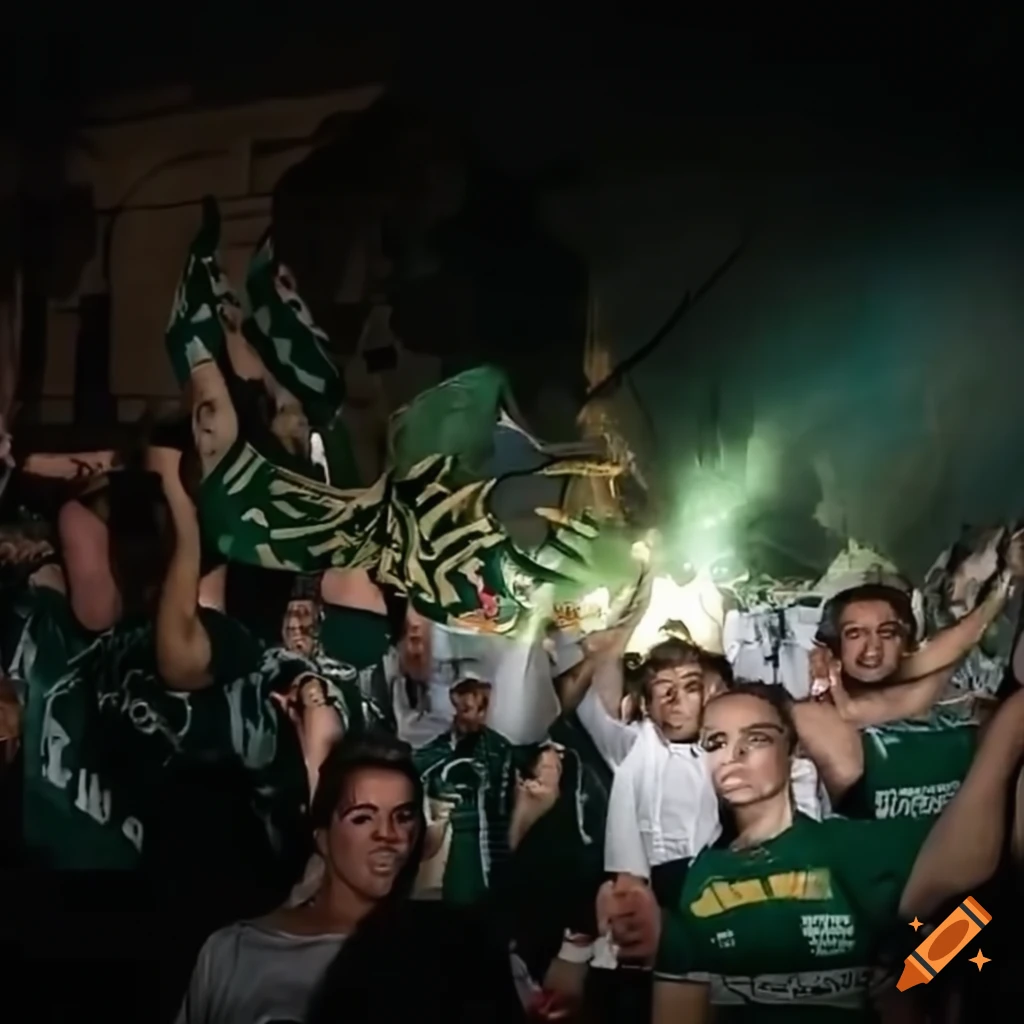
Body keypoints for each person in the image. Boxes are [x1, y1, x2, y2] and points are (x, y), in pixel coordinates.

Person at [603, 681, 1024, 1023]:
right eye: (715, 742)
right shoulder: (688, 884)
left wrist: (917, 975)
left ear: (793, 750)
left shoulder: (857, 847)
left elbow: (978, 897)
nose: (734, 755)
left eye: (757, 738)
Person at [175, 732, 425, 1023]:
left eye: (403, 817)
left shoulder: (430, 957)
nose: (388, 835)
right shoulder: (235, 951)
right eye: (362, 818)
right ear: (322, 838)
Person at [794, 536, 1024, 824]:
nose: (872, 648)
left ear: (907, 643)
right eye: (855, 634)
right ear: (833, 646)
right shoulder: (821, 712)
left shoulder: (945, 694)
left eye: (887, 633)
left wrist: (1007, 578)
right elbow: (896, 699)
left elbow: (956, 642)